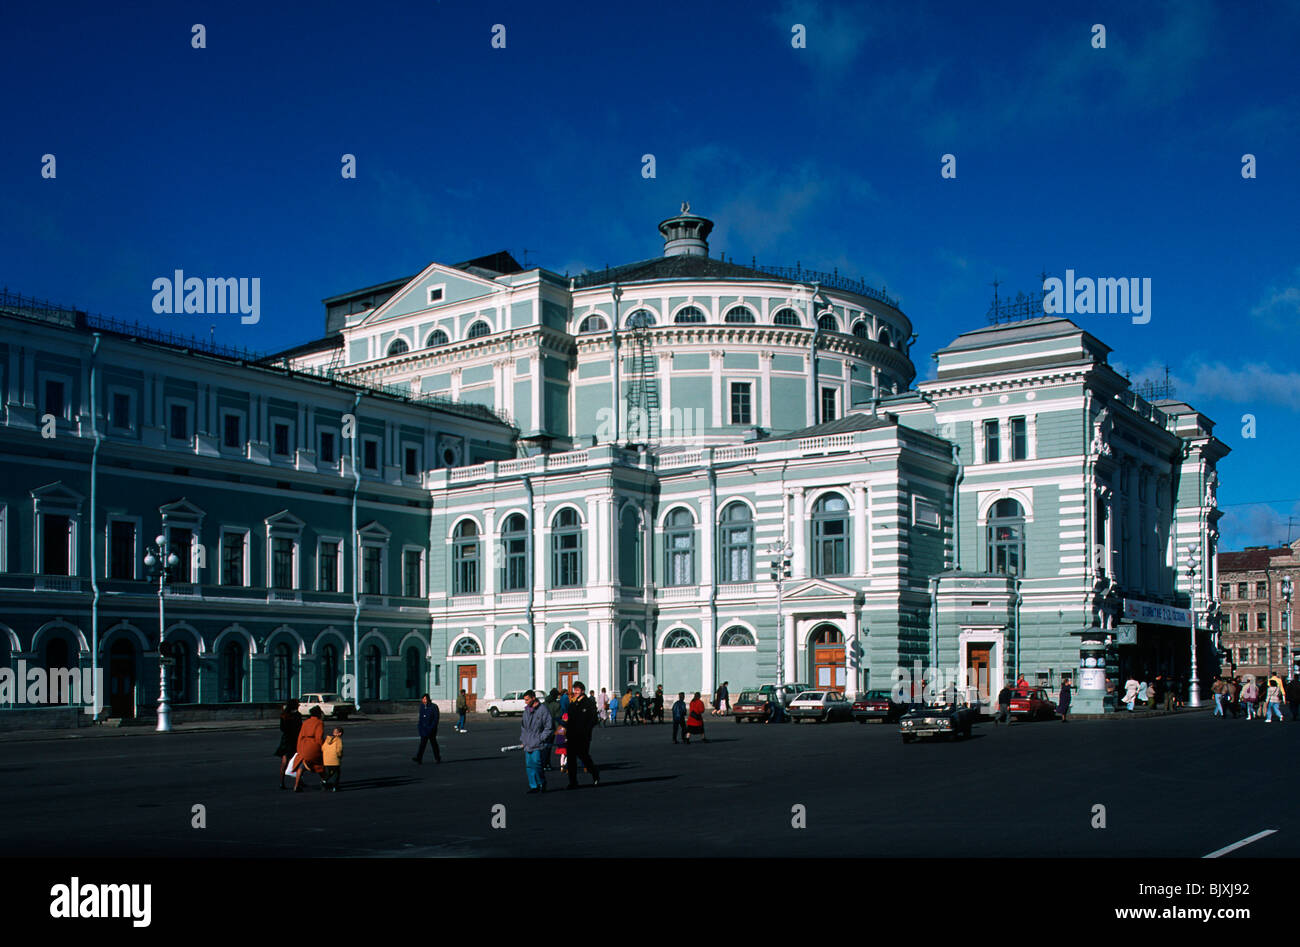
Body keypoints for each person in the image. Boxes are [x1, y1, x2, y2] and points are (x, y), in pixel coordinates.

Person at [564, 682, 600, 789]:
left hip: (583, 736)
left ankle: (594, 773)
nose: (575, 692)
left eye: (577, 690)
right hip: (571, 736)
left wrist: (586, 731)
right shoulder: (572, 704)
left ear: (582, 691)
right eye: (574, 690)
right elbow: (568, 720)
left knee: (584, 757)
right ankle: (573, 782)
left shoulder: (588, 703)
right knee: (571, 760)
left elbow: (593, 719)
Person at [519, 690, 554, 794]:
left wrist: (540, 738)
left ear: (533, 698)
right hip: (527, 743)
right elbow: (523, 727)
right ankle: (533, 786)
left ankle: (542, 783)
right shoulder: (526, 711)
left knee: (537, 764)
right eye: (524, 700)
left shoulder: (543, 710)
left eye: (527, 699)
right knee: (529, 765)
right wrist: (523, 740)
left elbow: (549, 727)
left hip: (538, 743)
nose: (525, 702)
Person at [292, 706, 326, 792]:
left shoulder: (306, 722)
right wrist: (323, 747)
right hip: (313, 745)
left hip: (304, 745)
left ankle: (296, 785)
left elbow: (300, 736)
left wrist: (299, 747)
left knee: (301, 766)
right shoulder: (319, 723)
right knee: (320, 765)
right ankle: (324, 781)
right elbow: (319, 737)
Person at [275, 700, 302, 790]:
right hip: (294, 740)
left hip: (286, 740)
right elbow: (299, 728)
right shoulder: (297, 715)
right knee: (297, 761)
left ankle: (281, 782)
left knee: (284, 762)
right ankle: (299, 781)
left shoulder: (284, 715)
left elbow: (282, 728)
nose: (299, 705)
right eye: (298, 704)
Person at [412, 693, 441, 764]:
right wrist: (419, 727)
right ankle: (419, 758)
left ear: (428, 699)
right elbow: (421, 718)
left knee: (433, 744)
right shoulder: (422, 707)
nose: (424, 700)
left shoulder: (433, 707)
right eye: (423, 699)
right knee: (422, 744)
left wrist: (432, 727)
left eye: (425, 699)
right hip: (424, 729)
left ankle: (437, 758)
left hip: (431, 729)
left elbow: (436, 718)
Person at [542, 689, 562, 770]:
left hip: (543, 728)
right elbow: (557, 719)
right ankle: (547, 764)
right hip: (551, 728)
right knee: (548, 747)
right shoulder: (556, 705)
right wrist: (559, 732)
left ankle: (544, 763)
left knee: (543, 746)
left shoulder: (543, 704)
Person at [322, 727, 343, 791]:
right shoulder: (338, 740)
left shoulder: (327, 739)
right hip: (334, 760)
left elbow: (323, 748)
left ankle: (324, 781)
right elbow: (339, 750)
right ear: (340, 733)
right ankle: (335, 787)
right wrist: (340, 756)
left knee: (329, 772)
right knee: (337, 773)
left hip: (326, 760)